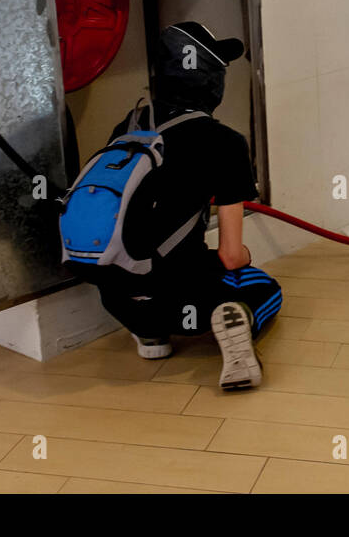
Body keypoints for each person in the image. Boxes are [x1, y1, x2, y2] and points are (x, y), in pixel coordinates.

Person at [72, 22, 276, 391]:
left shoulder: (129, 126)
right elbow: (231, 256)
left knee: (145, 285)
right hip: (185, 297)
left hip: (117, 296)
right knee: (263, 286)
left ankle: (150, 337)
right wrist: (242, 253)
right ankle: (233, 314)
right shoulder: (225, 142)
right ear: (210, 77)